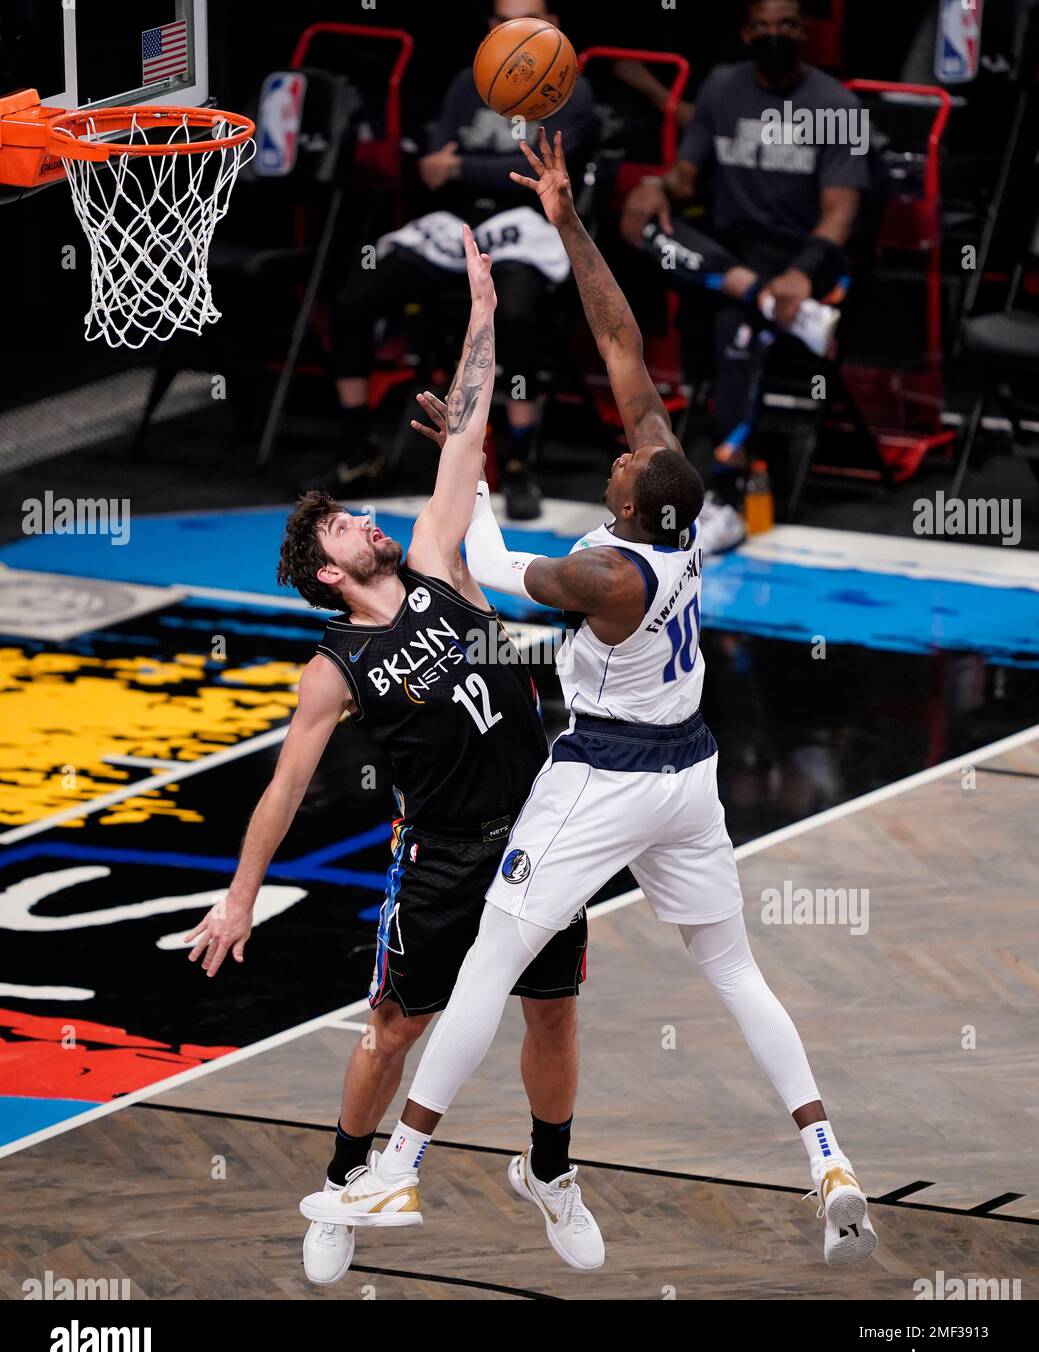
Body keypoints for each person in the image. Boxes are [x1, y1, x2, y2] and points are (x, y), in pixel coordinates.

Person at [302, 130, 878, 1273]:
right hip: (692, 775)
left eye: (618, 470)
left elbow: (485, 557)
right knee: (732, 968)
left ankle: (400, 1174)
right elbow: (619, 337)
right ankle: (825, 1151)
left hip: (603, 779)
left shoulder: (607, 576)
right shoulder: (667, 500)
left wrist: (455, 441)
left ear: (636, 507)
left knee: (487, 968)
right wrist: (568, 220)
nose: (614, 459)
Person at [187, 225, 601, 1281]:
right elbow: (283, 789)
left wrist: (483, 309)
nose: (363, 522)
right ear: (325, 573)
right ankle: (340, 1185)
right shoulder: (333, 663)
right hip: (445, 856)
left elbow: (463, 432)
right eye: (340, 528)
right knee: (389, 1031)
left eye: (356, 516)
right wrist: (238, 896)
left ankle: (550, 1170)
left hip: (542, 831)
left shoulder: (433, 563)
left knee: (553, 1012)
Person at [326, 0, 598, 521]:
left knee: (517, 313)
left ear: (556, 25)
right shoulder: (465, 82)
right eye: (499, 19)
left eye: (529, 17)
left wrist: (463, 166)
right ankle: (358, 449)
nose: (510, 30)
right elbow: (432, 167)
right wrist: (466, 170)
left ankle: (518, 461)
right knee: (354, 298)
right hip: (457, 225)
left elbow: (542, 174)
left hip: (529, 228)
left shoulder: (570, 87)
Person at [620, 0, 870, 554]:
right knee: (643, 229)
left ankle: (726, 501)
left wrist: (800, 275)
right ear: (744, 31)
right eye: (762, 25)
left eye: (786, 24)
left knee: (736, 327)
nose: (774, 34)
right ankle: (755, 295)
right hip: (733, 256)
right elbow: (688, 175)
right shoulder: (722, 88)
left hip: (806, 261)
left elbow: (842, 212)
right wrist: (659, 184)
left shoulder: (837, 104)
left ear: (804, 31)